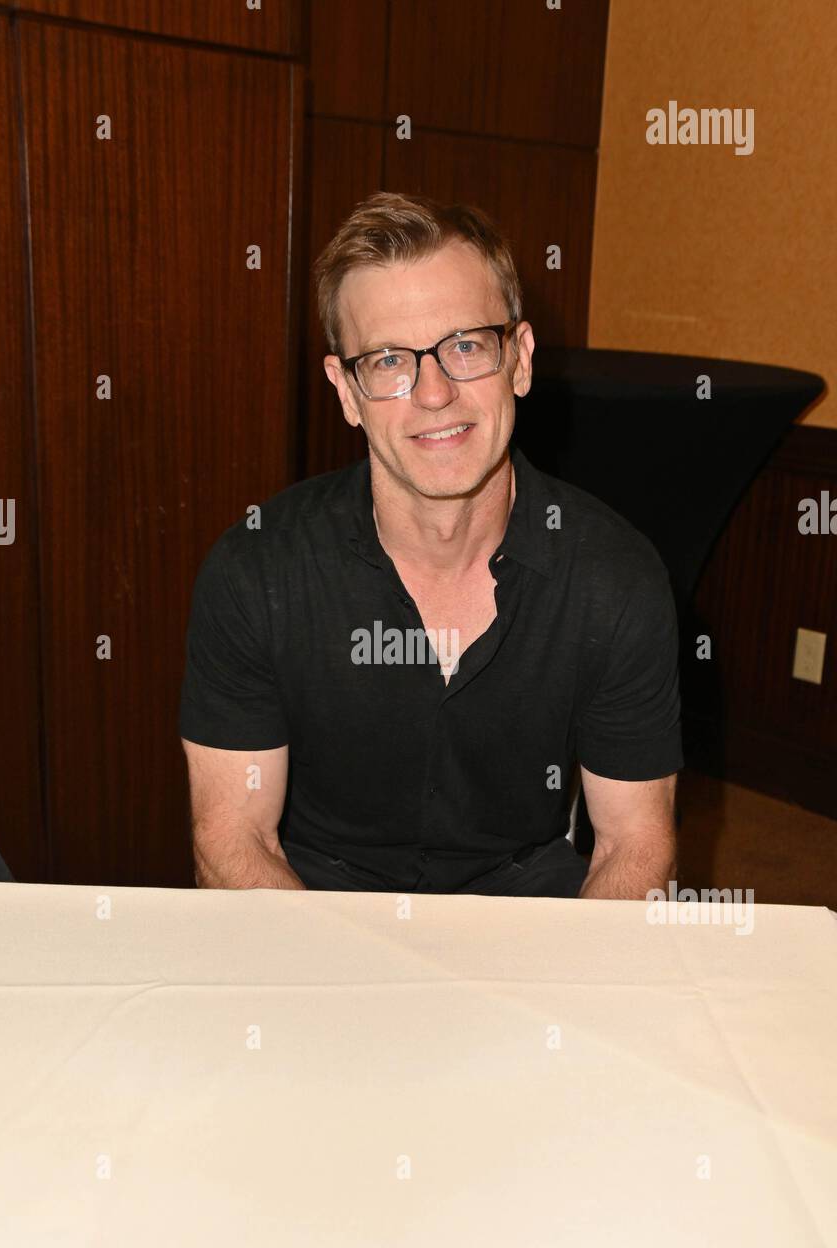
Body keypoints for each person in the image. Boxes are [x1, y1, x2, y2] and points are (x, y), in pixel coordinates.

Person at [179, 192, 682, 898]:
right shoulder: (255, 571)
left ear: (522, 360)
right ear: (346, 392)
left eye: (466, 346)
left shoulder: (615, 578)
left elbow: (635, 844)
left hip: (525, 911)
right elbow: (234, 840)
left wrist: (563, 999)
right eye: (388, 360)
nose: (435, 393)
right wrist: (334, 988)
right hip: (313, 901)